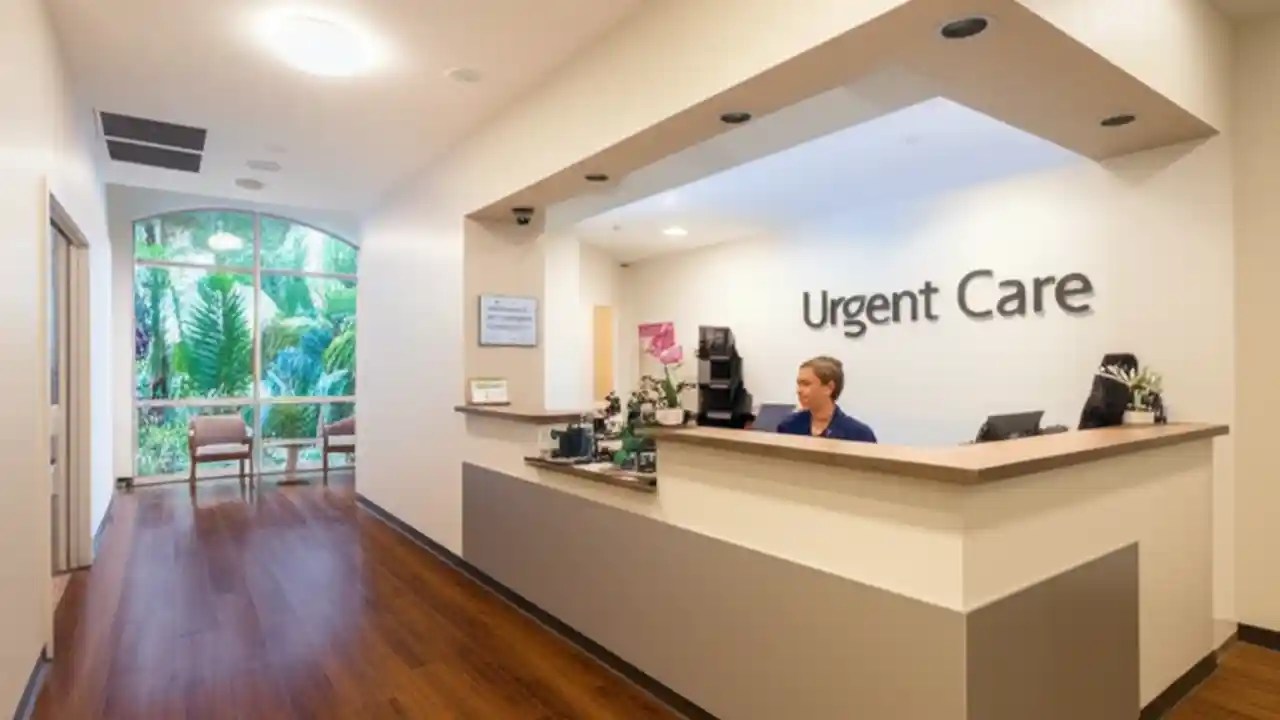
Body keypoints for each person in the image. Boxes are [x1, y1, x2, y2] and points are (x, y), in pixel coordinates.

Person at [776, 356, 877, 442]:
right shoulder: (788, 427)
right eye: (799, 384)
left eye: (806, 384)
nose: (799, 390)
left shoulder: (859, 435)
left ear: (829, 388)